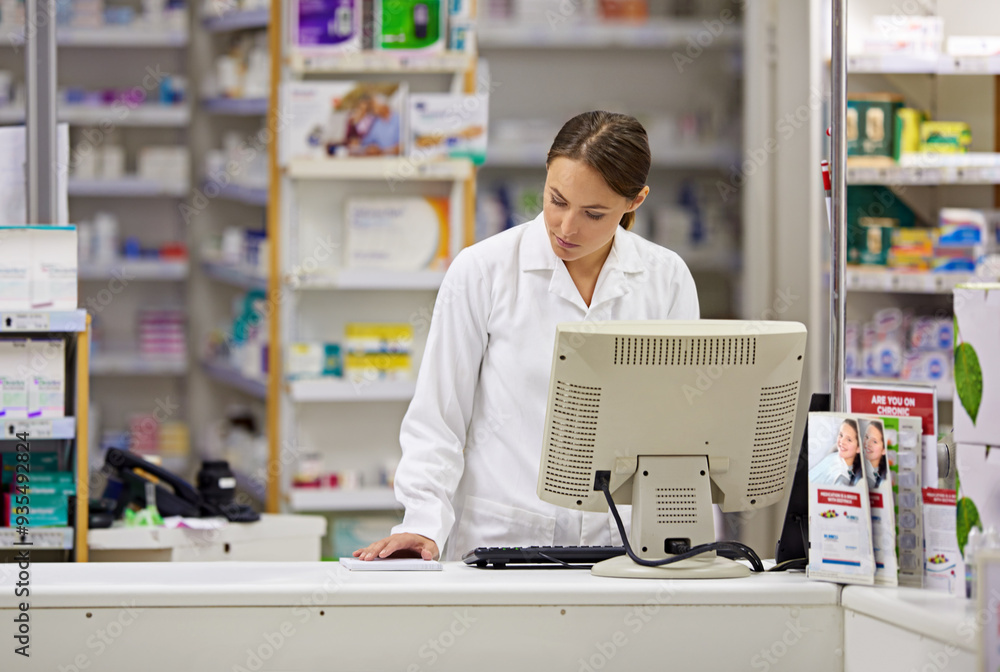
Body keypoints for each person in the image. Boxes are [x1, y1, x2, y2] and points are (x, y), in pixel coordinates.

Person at [354, 111, 699, 562]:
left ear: (635, 202)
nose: (566, 227)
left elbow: (683, 426)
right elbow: (439, 417)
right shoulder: (484, 270)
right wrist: (423, 522)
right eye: (557, 200)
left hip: (623, 545)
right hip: (503, 538)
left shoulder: (665, 278)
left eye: (594, 213)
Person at [808, 419, 863, 487]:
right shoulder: (833, 455)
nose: (842, 441)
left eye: (849, 440)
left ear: (858, 448)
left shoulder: (840, 478)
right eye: (841, 435)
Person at [863, 420, 888, 490]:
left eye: (874, 441)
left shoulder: (886, 477)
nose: (867, 443)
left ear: (884, 450)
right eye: (867, 437)